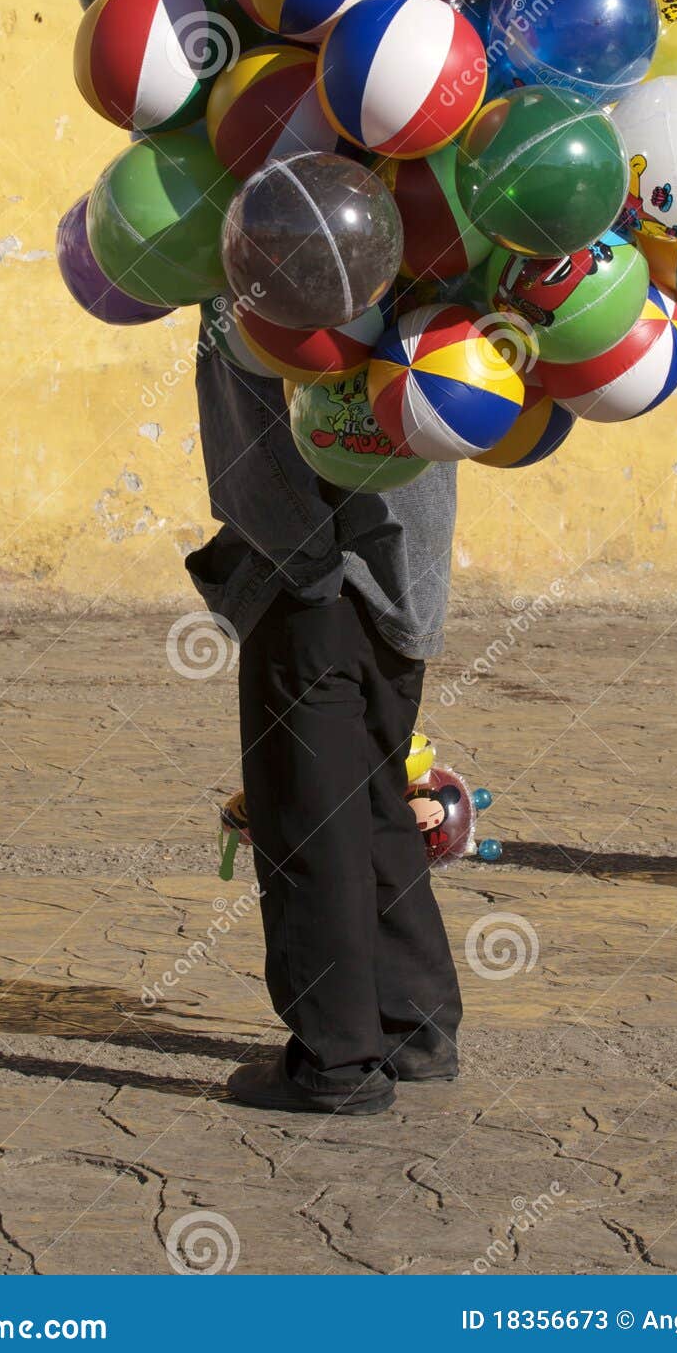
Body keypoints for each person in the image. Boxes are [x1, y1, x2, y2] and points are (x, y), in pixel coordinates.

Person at [185, 324, 462, 1115]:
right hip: (401, 576)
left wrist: (296, 569)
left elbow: (257, 415)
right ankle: (414, 1028)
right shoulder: (426, 271)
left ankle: (337, 1062)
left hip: (310, 573)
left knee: (310, 819)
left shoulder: (264, 268)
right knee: (374, 798)